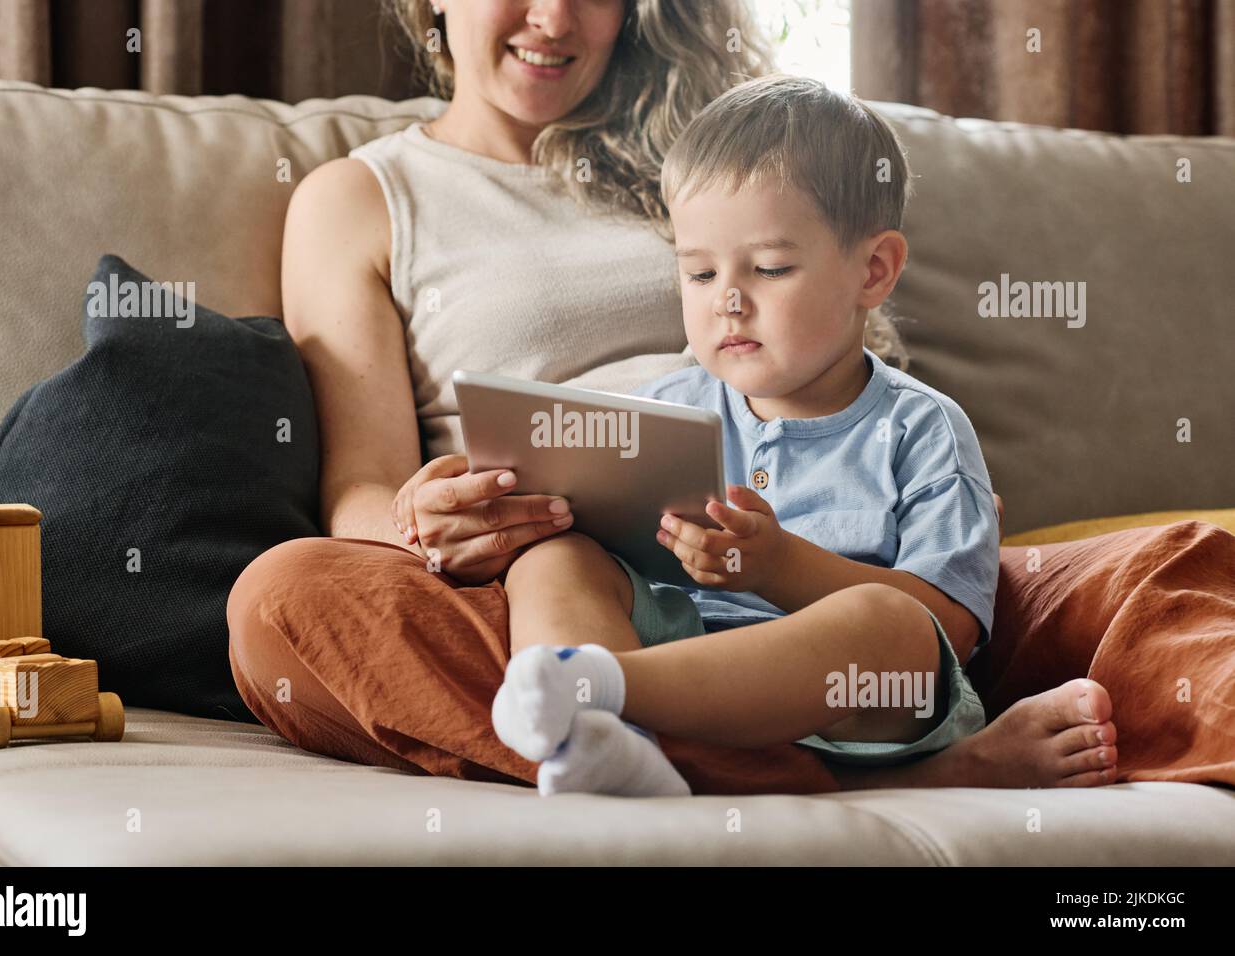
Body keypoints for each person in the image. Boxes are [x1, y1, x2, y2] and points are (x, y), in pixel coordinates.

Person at [229, 0, 1119, 795]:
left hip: (842, 584)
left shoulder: (723, 150)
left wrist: (841, 548)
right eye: (695, 271)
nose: (554, 18)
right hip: (564, 592)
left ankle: (605, 724)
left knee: (1161, 574)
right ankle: (630, 725)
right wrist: (425, 522)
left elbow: (925, 592)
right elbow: (360, 490)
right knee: (278, 600)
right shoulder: (359, 199)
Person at [489, 75, 1119, 797]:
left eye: (769, 268)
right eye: (697, 273)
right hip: (686, 663)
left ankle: (598, 692)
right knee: (557, 557)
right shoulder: (665, 409)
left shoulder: (923, 428)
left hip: (852, 702)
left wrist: (779, 564)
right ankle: (606, 740)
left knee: (894, 624)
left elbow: (951, 629)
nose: (728, 300)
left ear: (873, 271)